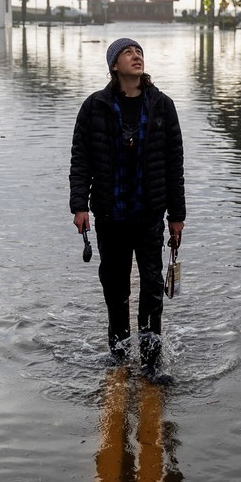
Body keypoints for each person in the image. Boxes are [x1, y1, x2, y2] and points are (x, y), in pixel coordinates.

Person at [70, 37, 185, 384]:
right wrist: (79, 206)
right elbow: (81, 160)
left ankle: (151, 361)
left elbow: (174, 165)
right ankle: (119, 354)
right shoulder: (95, 107)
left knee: (151, 286)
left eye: (139, 52)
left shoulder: (162, 106)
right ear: (114, 66)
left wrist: (176, 216)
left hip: (149, 214)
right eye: (127, 53)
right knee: (115, 286)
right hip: (109, 215)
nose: (136, 57)